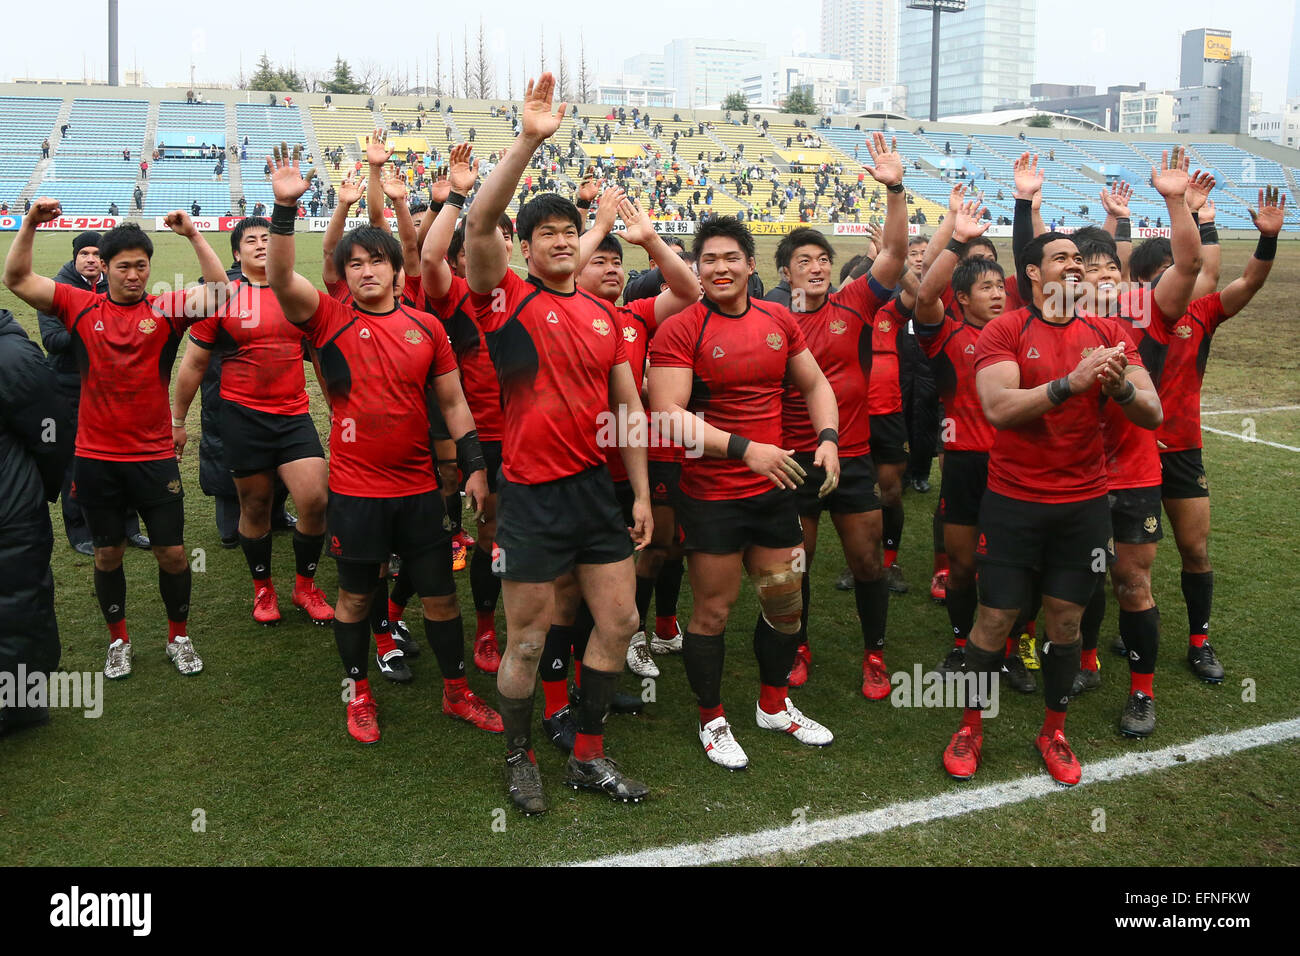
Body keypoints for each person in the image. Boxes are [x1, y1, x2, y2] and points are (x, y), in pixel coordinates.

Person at [264, 145, 498, 744]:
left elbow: (452, 403)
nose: (367, 271)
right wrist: (285, 209)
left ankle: (456, 693)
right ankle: (359, 695)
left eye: (378, 262)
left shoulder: (428, 327)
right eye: (357, 264)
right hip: (357, 493)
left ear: (399, 270)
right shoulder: (328, 318)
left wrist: (473, 465)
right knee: (353, 599)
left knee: (442, 599)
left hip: (420, 491)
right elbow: (282, 278)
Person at [465, 74, 652, 812]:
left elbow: (629, 410)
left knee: (621, 621)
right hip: (532, 497)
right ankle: (519, 759)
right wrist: (529, 139)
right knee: (526, 640)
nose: (563, 242)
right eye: (547, 234)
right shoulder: (509, 301)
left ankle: (587, 755)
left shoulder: (606, 317)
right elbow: (481, 225)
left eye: (570, 232)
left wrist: (636, 490)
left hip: (592, 495)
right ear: (530, 249)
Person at [940, 194, 1162, 787]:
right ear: (1033, 273)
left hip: (1085, 506)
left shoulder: (1110, 332)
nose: (1073, 264)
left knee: (1065, 624)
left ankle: (1053, 732)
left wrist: (1116, 389)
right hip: (1013, 501)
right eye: (1059, 257)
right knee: (993, 620)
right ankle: (970, 726)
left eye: (1079, 258)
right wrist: (1070, 383)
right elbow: (998, 407)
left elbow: (1152, 413)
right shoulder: (1006, 330)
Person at [648, 215, 841, 771]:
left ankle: (774, 705)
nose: (720, 268)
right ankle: (712, 718)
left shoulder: (779, 317)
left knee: (785, 604)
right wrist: (746, 450)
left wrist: (827, 439)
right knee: (712, 611)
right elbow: (666, 415)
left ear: (750, 265)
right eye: (708, 259)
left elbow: (815, 383)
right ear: (697, 268)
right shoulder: (683, 328)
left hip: (774, 490)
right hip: (714, 495)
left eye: (731, 258)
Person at [4, 205, 229, 680]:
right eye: (122, 266)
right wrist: (28, 224)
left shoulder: (164, 310)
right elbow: (18, 278)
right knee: (108, 554)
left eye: (140, 265)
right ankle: (119, 641)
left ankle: (178, 636)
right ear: (103, 268)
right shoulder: (78, 305)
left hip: (153, 458)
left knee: (172, 553)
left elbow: (219, 292)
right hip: (96, 457)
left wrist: (192, 234)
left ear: (149, 268)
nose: (132, 274)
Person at [770, 139, 907, 699]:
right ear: (785, 273)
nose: (818, 266)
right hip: (794, 463)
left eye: (823, 259)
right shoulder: (771, 320)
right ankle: (797, 646)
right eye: (805, 260)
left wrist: (894, 191)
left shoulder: (854, 304)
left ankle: (874, 652)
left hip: (850, 458)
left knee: (868, 562)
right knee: (795, 566)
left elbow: (895, 257)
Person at [1140, 184, 1285, 684]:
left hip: (1182, 451)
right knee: (1127, 557)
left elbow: (1248, 281)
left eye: (1180, 274)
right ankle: (1128, 626)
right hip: (1129, 453)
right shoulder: (1130, 317)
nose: (1176, 284)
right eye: (1163, 277)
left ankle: (1199, 640)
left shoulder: (1202, 315)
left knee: (1195, 550)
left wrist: (1266, 241)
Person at [170, 216, 334, 628]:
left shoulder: (298, 294)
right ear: (236, 253)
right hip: (242, 416)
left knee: (315, 499)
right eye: (252, 240)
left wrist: (338, 409)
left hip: (294, 414)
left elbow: (321, 361)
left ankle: (305, 586)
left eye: (269, 238)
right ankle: (262, 588)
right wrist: (177, 421)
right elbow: (192, 365)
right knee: (255, 505)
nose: (262, 244)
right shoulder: (221, 297)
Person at [569, 188, 700, 701]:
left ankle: (625, 642)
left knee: (636, 557)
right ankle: (576, 676)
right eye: (597, 260)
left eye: (615, 263)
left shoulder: (638, 316)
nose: (610, 269)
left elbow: (689, 291)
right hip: (579, 465)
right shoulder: (556, 313)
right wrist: (595, 227)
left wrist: (651, 240)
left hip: (631, 463)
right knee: (576, 576)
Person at [420, 145, 517, 674]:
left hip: (536, 435)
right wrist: (456, 197)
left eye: (504, 235)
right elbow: (427, 259)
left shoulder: (529, 293)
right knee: (492, 536)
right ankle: (485, 628)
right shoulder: (454, 295)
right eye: (487, 236)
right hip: (486, 439)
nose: (495, 243)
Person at [37, 231, 149, 555]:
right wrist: (94, 325)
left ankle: (129, 526)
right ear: (75, 257)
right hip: (70, 388)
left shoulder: (113, 285)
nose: (90, 259)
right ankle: (80, 531)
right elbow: (52, 341)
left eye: (95, 254)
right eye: (83, 253)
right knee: (76, 462)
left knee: (123, 456)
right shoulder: (56, 291)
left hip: (114, 386)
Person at [0, 304, 73, 737]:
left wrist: (38, 488)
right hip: (15, 506)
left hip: (10, 508)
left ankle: (22, 705)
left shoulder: (12, 357)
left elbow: (50, 433)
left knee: (17, 603)